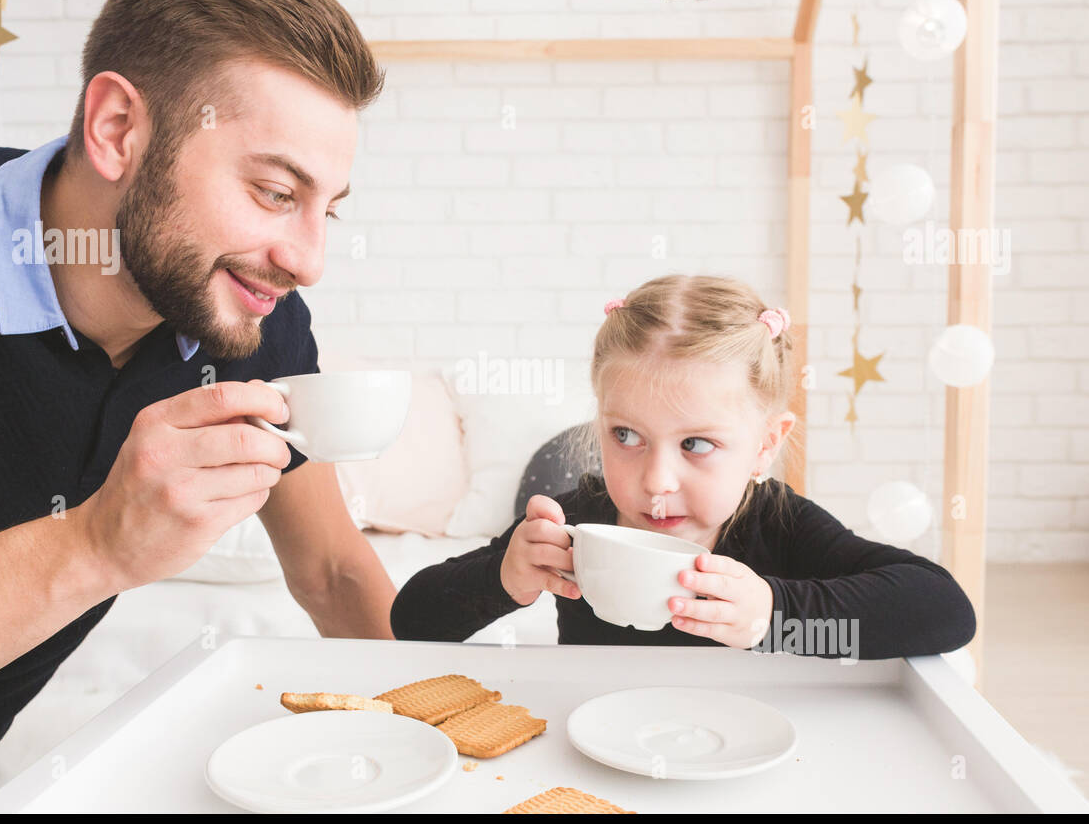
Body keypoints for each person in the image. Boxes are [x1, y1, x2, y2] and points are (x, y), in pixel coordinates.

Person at [0, 0, 396, 812]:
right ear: (117, 129)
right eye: (271, 191)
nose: (308, 260)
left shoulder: (247, 315)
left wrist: (429, 738)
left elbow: (332, 572)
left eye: (326, 209)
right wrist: (95, 546)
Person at [391, 274, 977, 659]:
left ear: (765, 445)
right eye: (627, 436)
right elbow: (410, 620)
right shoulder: (578, 523)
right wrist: (506, 578)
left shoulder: (780, 524)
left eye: (696, 444)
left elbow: (944, 610)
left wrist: (774, 618)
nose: (656, 481)